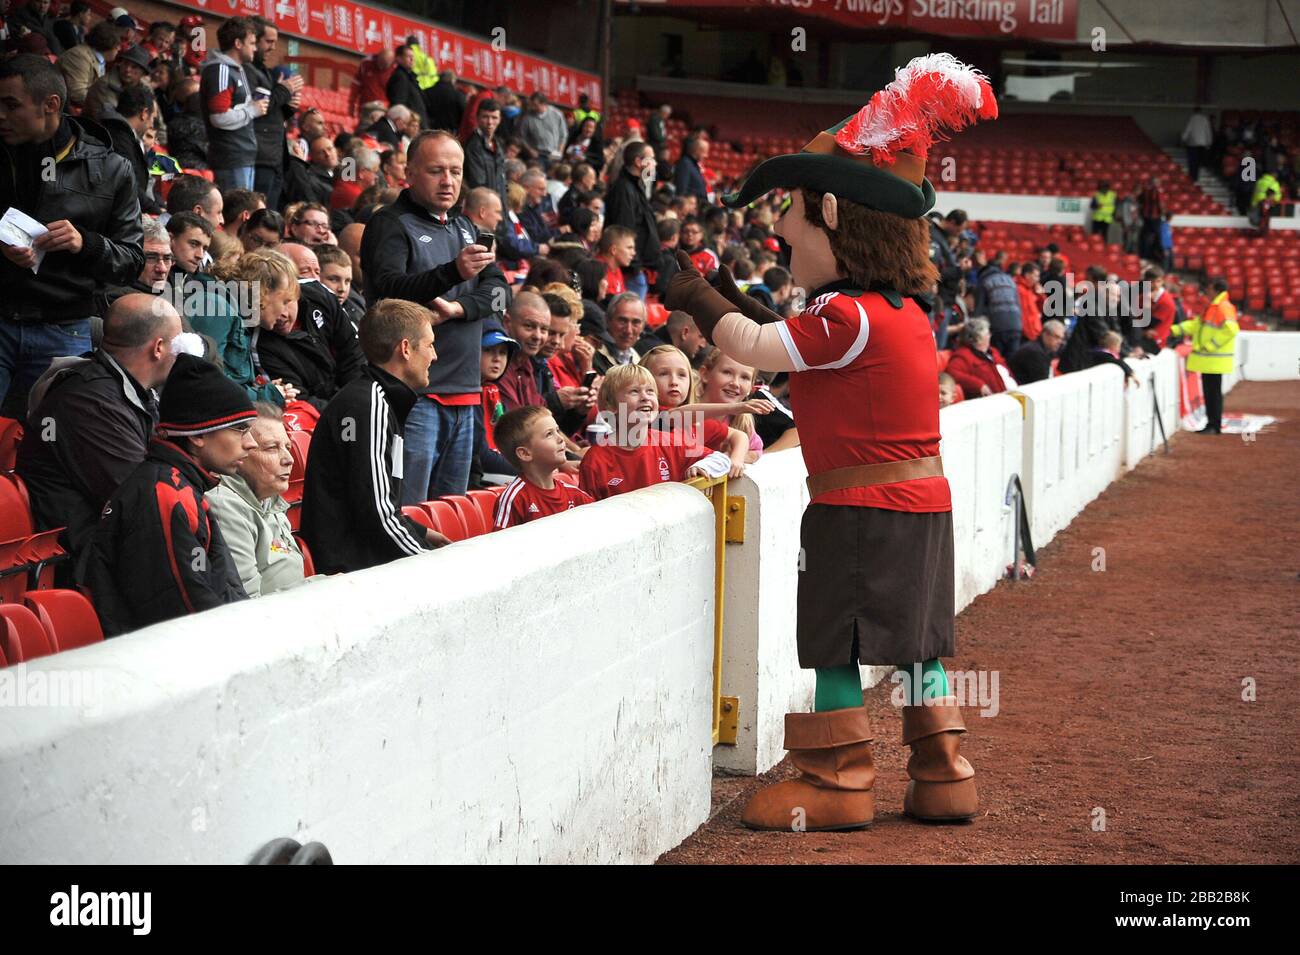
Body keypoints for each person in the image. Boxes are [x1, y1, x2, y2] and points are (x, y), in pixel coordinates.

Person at [664, 55, 996, 830]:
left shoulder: (845, 316)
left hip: (857, 505)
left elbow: (754, 339)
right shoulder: (903, 311)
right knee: (920, 644)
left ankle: (837, 779)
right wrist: (730, 297)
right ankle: (944, 773)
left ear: (837, 218)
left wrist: (691, 293)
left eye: (796, 212)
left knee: (836, 639)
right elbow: (784, 333)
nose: (780, 229)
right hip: (923, 500)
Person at [361, 129, 511, 502]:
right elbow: (388, 288)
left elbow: (498, 291)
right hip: (415, 397)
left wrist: (458, 307)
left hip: (465, 393)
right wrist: (452, 274)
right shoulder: (390, 224)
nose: (448, 181)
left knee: (452, 513)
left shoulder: (465, 227)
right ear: (409, 173)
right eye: (436, 170)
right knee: (410, 507)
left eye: (456, 171)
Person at [0, 55, 143, 414]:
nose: (1, 115)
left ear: (51, 105)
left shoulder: (111, 169)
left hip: (63, 330)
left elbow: (132, 261)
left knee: (42, 446)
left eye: (11, 105)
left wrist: (86, 244)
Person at [77, 354, 259, 636]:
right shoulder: (166, 494)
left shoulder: (181, 486)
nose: (251, 443)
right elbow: (184, 607)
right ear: (198, 435)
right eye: (240, 430)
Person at [15, 294, 184, 561]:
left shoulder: (128, 391)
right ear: (159, 347)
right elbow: (144, 500)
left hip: (114, 546)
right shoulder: (91, 403)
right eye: (179, 343)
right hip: (84, 559)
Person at [300, 298, 449, 573]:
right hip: (350, 573)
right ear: (405, 348)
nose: (434, 355)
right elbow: (377, 514)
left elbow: (371, 499)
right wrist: (434, 565)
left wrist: (419, 531)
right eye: (429, 345)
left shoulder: (376, 399)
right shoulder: (370, 405)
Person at [579, 364, 742, 501]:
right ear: (610, 406)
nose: (645, 397)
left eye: (650, 391)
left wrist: (702, 466)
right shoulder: (595, 460)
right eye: (634, 391)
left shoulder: (670, 442)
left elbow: (721, 460)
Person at [205, 402, 306, 597]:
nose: (289, 459)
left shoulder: (271, 501)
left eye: (287, 447)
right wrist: (320, 588)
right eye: (271, 448)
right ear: (240, 454)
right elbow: (247, 604)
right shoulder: (224, 506)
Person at [491, 406, 594, 529]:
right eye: (549, 434)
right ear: (525, 453)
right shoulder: (514, 499)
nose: (561, 439)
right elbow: (501, 545)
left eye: (557, 430)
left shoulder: (575, 495)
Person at [200, 17, 268, 192]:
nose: (255, 47)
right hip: (231, 157)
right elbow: (219, 117)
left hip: (242, 155)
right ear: (238, 43)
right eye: (252, 43)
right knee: (238, 213)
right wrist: (252, 110)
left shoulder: (236, 69)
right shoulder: (221, 69)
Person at [1169, 277, 1238, 435]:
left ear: (1215, 288)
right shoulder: (1214, 307)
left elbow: (1231, 329)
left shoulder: (1221, 307)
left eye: (1208, 287)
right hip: (1212, 359)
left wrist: (1210, 346)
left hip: (1214, 358)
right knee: (1211, 392)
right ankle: (1213, 424)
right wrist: (1174, 330)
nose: (1205, 290)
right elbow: (1196, 325)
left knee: (1212, 393)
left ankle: (1214, 425)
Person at [246, 15, 302, 210]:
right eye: (268, 41)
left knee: (270, 214)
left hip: (275, 156)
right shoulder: (247, 71)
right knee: (257, 214)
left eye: (275, 42)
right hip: (259, 156)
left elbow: (271, 113)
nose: (272, 47)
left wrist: (287, 107)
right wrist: (283, 91)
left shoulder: (266, 72)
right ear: (253, 39)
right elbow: (258, 110)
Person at [56, 19, 121, 110]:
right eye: (117, 45)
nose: (119, 49)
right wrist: (106, 105)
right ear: (108, 44)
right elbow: (77, 93)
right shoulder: (79, 56)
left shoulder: (98, 59)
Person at [945, 317, 1016, 399]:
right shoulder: (963, 355)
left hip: (1010, 397)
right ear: (978, 339)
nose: (990, 336)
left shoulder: (993, 352)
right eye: (987, 334)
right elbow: (952, 373)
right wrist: (978, 385)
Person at [974, 251, 1023, 358]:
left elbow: (978, 309)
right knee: (1012, 362)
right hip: (1016, 325)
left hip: (998, 326)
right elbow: (1018, 304)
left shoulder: (984, 280)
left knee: (997, 360)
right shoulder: (1010, 280)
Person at [463, 97, 507, 210]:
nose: (490, 122)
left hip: (499, 206)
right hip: (484, 208)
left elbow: (502, 180)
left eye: (494, 117)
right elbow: (478, 183)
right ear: (477, 118)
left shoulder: (498, 145)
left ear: (500, 119)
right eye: (485, 117)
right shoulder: (473, 146)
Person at [1007, 319, 1066, 385]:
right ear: (1045, 334)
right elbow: (1043, 385)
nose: (1060, 342)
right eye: (1056, 337)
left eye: (1061, 338)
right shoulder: (1035, 353)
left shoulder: (1041, 349)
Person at [517, 92, 566, 169]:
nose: (532, 107)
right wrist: (530, 150)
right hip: (537, 155)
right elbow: (522, 136)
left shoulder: (557, 114)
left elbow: (563, 135)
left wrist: (559, 151)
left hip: (554, 155)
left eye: (535, 105)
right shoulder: (527, 117)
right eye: (531, 105)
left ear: (544, 104)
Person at [386, 45, 428, 128]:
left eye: (413, 57)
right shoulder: (400, 77)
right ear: (399, 59)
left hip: (417, 124)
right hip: (410, 125)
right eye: (408, 56)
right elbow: (399, 104)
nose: (412, 59)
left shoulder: (409, 77)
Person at [601, 292, 647, 367]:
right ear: (608, 320)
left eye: (636, 322)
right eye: (622, 321)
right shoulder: (594, 356)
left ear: (643, 326)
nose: (628, 330)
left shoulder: (640, 361)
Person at [349, 48, 394, 119]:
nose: (381, 67)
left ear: (391, 62)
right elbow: (356, 84)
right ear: (378, 57)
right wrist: (351, 103)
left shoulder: (394, 71)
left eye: (385, 65)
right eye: (381, 62)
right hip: (365, 108)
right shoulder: (366, 63)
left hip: (382, 110)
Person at [424, 69, 464, 133]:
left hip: (430, 130)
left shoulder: (427, 92)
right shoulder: (458, 95)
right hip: (450, 131)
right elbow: (463, 114)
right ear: (452, 80)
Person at [674, 136, 710, 205]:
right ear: (696, 150)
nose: (706, 156)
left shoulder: (694, 165)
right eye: (704, 152)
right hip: (691, 206)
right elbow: (681, 189)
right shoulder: (685, 163)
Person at [1181, 106, 1213, 182]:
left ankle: (1192, 177)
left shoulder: (1192, 119)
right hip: (1202, 144)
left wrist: (1183, 139)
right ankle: (1196, 177)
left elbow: (1188, 130)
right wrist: (1209, 142)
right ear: (1201, 111)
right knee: (1197, 162)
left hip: (1192, 144)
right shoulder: (1205, 119)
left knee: (1192, 162)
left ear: (1194, 111)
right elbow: (1208, 131)